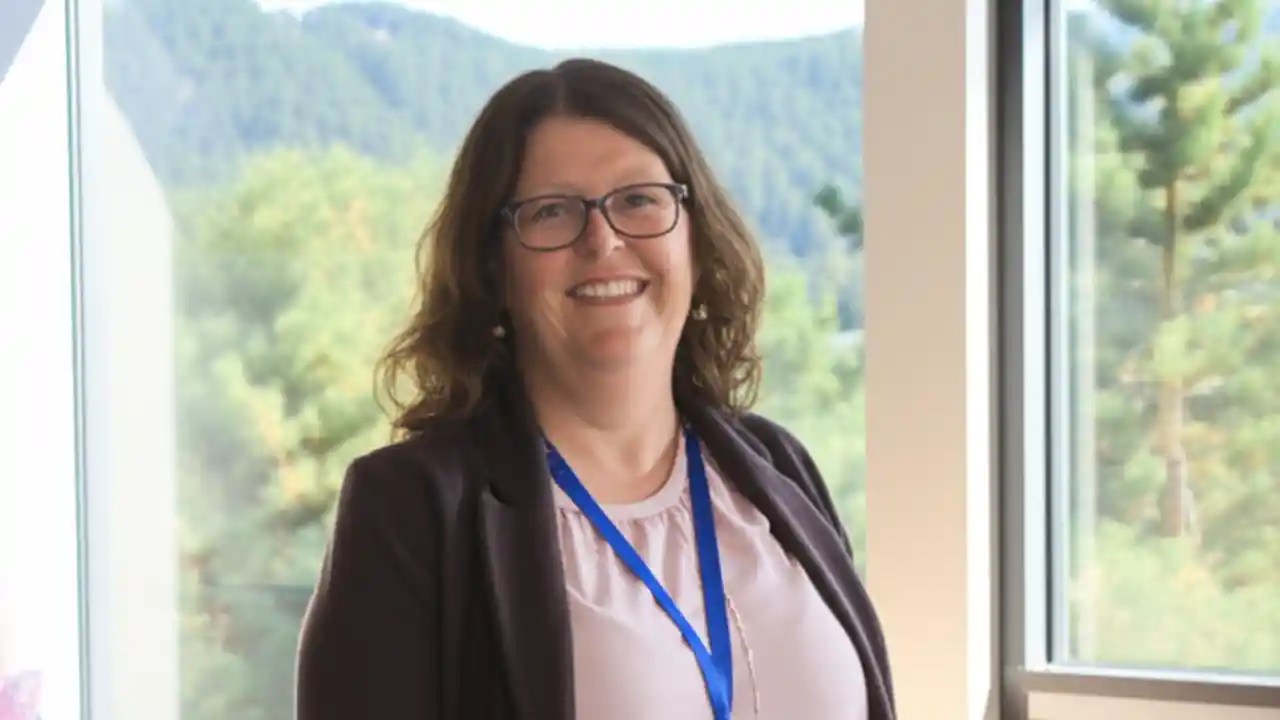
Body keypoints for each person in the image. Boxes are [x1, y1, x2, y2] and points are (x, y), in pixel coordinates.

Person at [295, 57, 896, 720]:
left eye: (639, 199)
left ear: (695, 236)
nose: (603, 241)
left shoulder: (777, 467)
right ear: (493, 265)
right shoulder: (413, 510)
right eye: (552, 212)